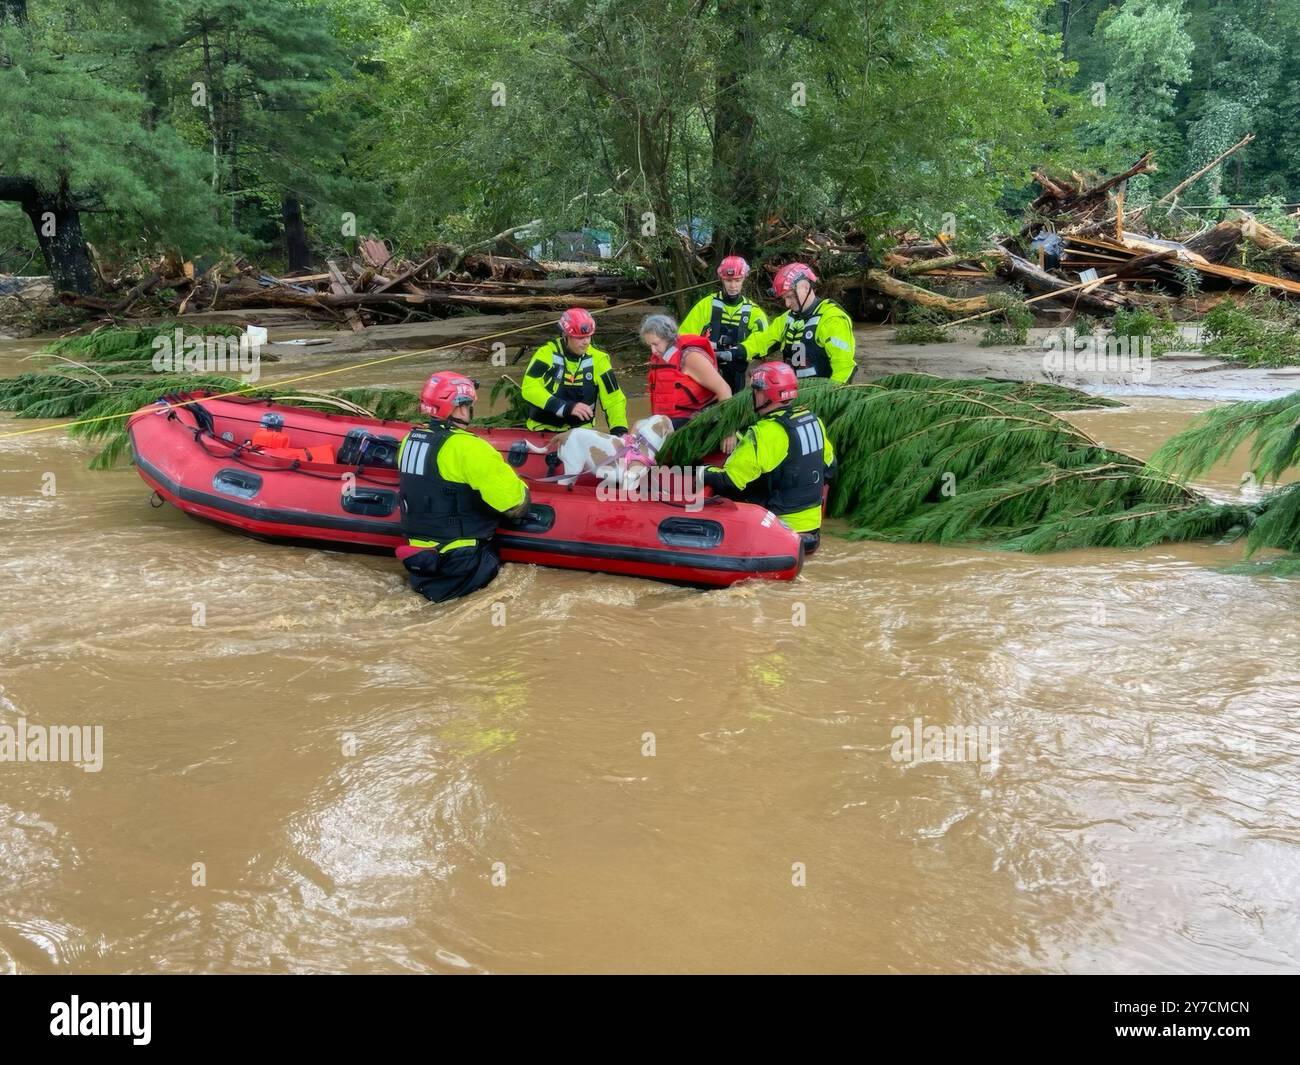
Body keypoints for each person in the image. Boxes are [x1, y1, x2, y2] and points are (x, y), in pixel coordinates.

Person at [397, 372, 530, 603]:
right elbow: (513, 503)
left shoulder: (410, 441)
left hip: (421, 558)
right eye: (468, 405)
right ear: (458, 409)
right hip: (462, 561)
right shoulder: (470, 448)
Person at [702, 361, 835, 555]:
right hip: (812, 528)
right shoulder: (813, 421)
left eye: (756, 390)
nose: (753, 395)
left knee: (724, 493)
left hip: (779, 531)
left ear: (766, 394)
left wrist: (702, 472)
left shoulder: (763, 433)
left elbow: (730, 481)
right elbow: (830, 468)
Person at [737, 262, 856, 384]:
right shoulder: (787, 318)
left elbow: (844, 368)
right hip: (793, 392)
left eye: (791, 296)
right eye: (785, 298)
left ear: (805, 287)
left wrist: (828, 397)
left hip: (821, 394)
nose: (787, 304)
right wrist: (737, 351)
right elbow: (762, 340)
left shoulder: (832, 319)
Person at [521, 307, 628, 435]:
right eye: (579, 338)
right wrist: (565, 407)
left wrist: (620, 431)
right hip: (544, 430)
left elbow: (614, 399)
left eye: (588, 336)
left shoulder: (599, 360)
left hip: (581, 434)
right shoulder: (545, 354)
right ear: (566, 335)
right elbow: (529, 388)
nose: (586, 342)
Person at [679, 255, 769, 394]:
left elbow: (763, 341)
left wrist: (736, 352)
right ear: (722, 279)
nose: (733, 286)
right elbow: (684, 336)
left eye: (737, 280)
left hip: (738, 373)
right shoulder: (706, 305)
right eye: (728, 280)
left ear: (744, 278)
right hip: (708, 371)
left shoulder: (754, 312)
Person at [640, 313, 732, 428]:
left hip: (696, 423)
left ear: (667, 337)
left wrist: (727, 431)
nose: (653, 350)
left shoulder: (690, 357)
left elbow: (725, 390)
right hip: (669, 424)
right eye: (650, 345)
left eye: (655, 344)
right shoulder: (660, 358)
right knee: (639, 426)